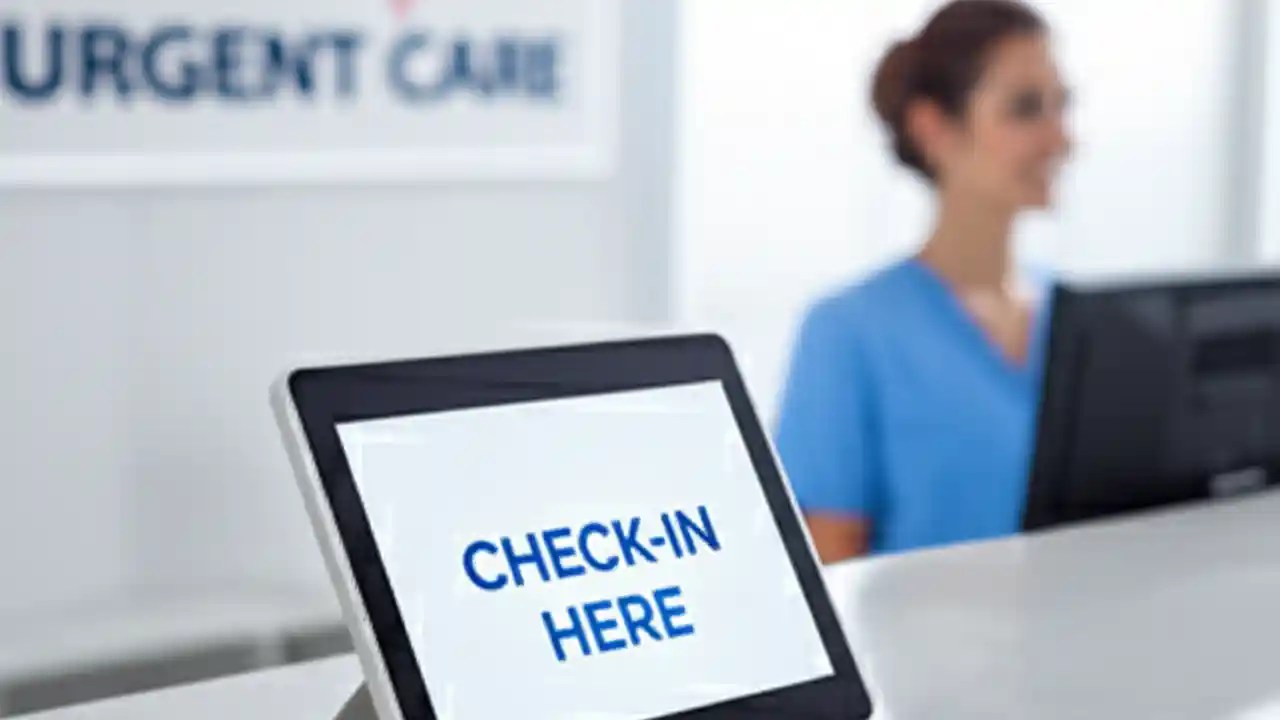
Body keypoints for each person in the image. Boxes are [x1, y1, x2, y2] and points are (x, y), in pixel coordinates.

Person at [775, 0, 1071, 562]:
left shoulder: (1082, 321)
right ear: (933, 127)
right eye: (1026, 108)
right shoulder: (849, 334)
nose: (1061, 139)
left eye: (1063, 105)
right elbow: (828, 580)